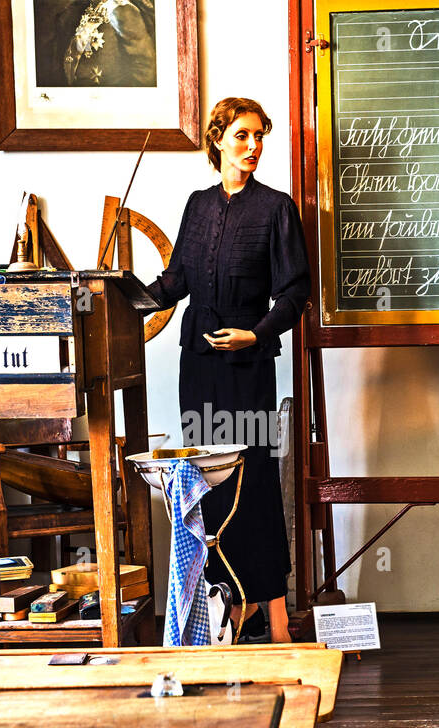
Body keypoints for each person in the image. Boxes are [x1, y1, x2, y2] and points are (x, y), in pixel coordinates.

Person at [142, 97, 310, 644]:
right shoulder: (197, 205)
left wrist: (256, 332)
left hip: (248, 362)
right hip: (199, 364)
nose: (254, 145)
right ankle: (227, 609)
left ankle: (278, 618)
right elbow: (175, 283)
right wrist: (124, 294)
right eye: (242, 135)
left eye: (259, 135)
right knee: (205, 484)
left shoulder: (277, 208)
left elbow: (293, 296)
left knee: (254, 481)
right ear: (217, 140)